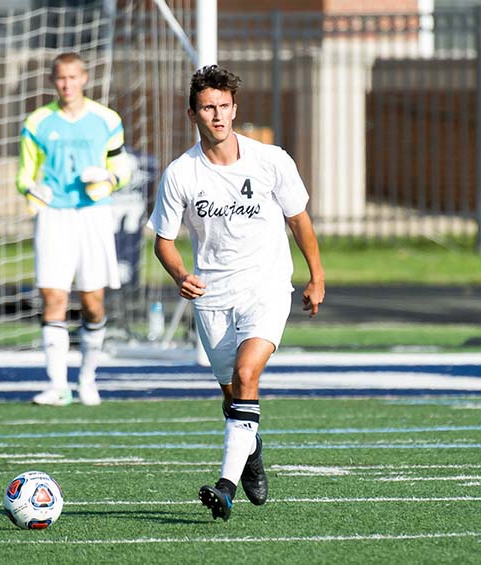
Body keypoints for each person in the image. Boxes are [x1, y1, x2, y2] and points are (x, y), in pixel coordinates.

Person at [148, 65, 325, 521]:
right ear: (193, 113)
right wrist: (179, 274)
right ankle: (252, 449)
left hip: (265, 287)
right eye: (208, 107)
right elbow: (163, 241)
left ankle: (225, 487)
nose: (218, 116)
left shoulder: (271, 161)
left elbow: (299, 219)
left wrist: (316, 275)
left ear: (235, 109)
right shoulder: (180, 174)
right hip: (211, 297)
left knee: (248, 375)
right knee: (233, 397)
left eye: (225, 106)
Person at [16, 52, 132, 407]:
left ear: (84, 78)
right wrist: (31, 189)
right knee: (53, 297)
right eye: (60, 78)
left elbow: (122, 169)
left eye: (72, 77)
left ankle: (87, 379)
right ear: (53, 81)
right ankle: (57, 385)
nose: (67, 84)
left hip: (93, 216)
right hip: (53, 216)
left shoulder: (106, 119)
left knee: (93, 303)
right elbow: (23, 174)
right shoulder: (37, 122)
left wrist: (108, 178)